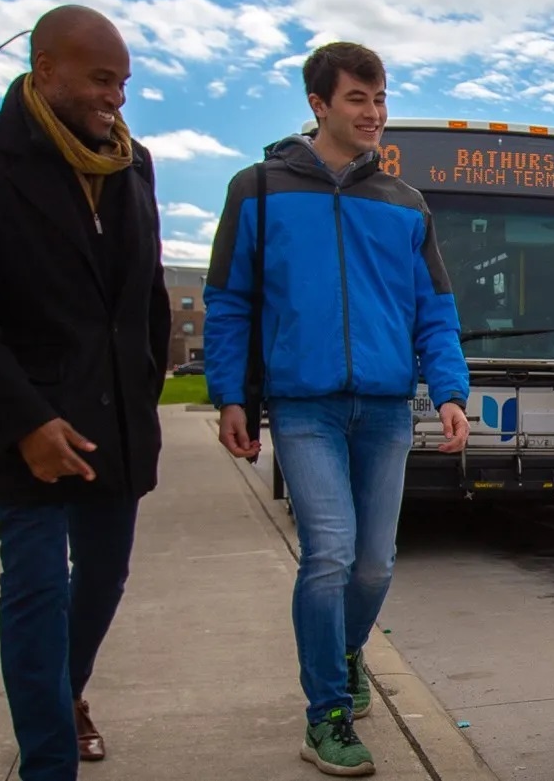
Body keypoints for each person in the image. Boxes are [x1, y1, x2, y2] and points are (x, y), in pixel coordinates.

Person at [202, 40, 472, 777]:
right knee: (328, 554)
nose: (374, 112)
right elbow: (229, 301)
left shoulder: (405, 203)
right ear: (318, 104)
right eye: (358, 98)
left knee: (375, 563)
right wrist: (230, 393)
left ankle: (344, 652)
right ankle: (324, 712)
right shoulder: (258, 189)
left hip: (385, 407)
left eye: (380, 97)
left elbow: (434, 310)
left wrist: (448, 389)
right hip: (303, 405)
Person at [0, 4, 167, 781]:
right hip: (24, 423)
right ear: (45, 68)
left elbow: (145, 296)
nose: (114, 98)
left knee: (102, 579)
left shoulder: (133, 162)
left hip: (116, 421)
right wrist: (26, 421)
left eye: (122, 83)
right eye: (100, 79)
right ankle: (47, 760)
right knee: (34, 589)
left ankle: (64, 691)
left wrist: (145, 385)